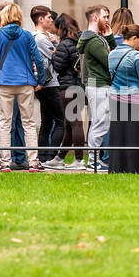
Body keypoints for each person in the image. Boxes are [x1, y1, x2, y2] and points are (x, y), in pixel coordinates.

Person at [0, 2, 46, 172]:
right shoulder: (27, 35)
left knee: (5, 122)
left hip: (5, 81)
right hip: (25, 81)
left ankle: (5, 163)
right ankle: (33, 162)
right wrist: (40, 80)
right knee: (28, 122)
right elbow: (38, 60)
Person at [108, 24, 139, 174]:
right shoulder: (137, 56)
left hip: (116, 97)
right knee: (137, 136)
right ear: (134, 38)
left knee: (119, 136)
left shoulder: (112, 53)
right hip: (137, 100)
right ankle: (137, 168)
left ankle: (117, 168)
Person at [77, 4, 113, 171]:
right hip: (98, 85)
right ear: (94, 18)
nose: (107, 20)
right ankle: (93, 161)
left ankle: (95, 160)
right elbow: (111, 62)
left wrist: (110, 37)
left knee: (101, 123)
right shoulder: (93, 41)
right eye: (104, 17)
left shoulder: (96, 39)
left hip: (98, 85)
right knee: (99, 124)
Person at [47, 13, 85, 170]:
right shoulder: (79, 43)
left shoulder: (64, 45)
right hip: (78, 87)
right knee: (70, 124)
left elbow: (59, 67)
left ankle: (79, 160)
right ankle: (60, 158)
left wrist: (54, 54)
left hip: (67, 88)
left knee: (75, 123)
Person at [30, 6, 65, 166]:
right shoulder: (40, 38)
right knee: (60, 121)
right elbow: (57, 55)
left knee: (47, 121)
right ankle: (51, 156)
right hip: (50, 84)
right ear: (40, 19)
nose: (52, 20)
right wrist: (56, 44)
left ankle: (43, 156)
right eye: (49, 17)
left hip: (46, 83)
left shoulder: (41, 37)